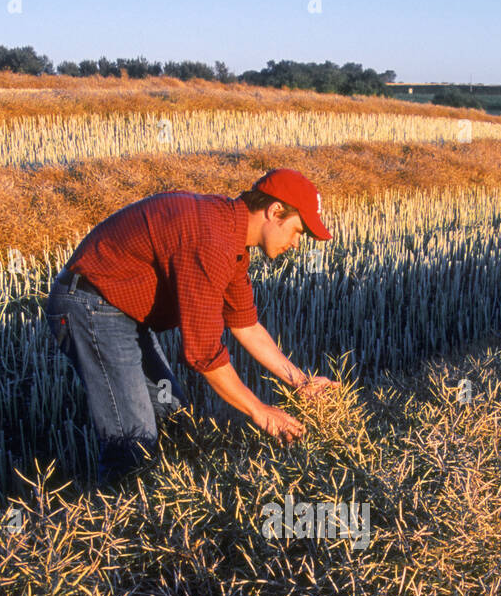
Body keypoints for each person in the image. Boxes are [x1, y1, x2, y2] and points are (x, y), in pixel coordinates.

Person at [43, 168, 338, 483]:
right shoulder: (213, 240)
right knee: (133, 440)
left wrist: (301, 382)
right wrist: (259, 410)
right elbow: (204, 354)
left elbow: (246, 325)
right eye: (298, 231)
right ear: (275, 211)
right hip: (91, 306)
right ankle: (119, 519)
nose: (296, 244)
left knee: (172, 412)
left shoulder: (233, 244)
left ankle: (164, 500)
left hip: (123, 312)